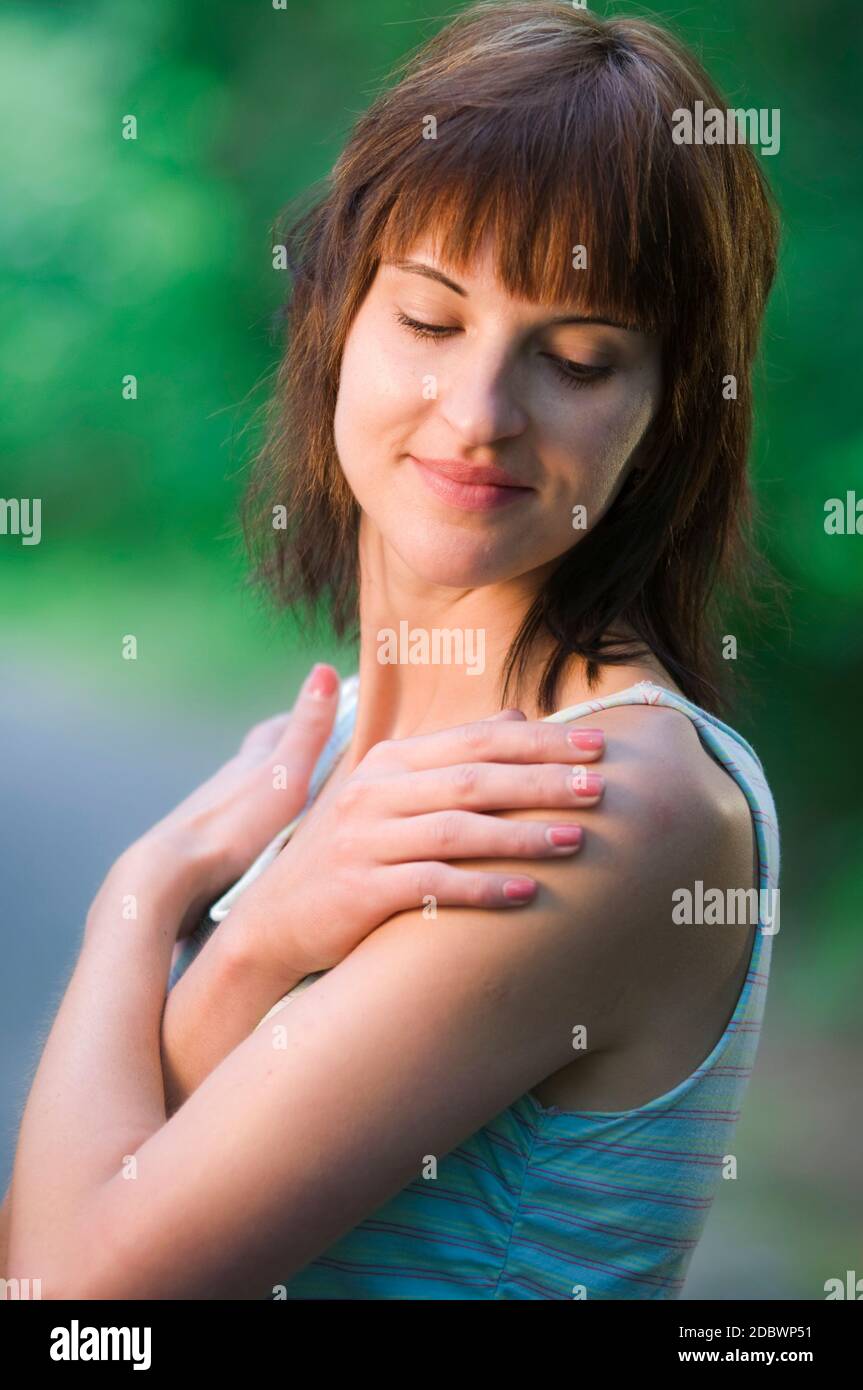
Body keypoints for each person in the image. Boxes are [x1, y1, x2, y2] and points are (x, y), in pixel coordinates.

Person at [3, 1, 781, 1299]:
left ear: (670, 410)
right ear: (336, 315)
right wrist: (250, 939)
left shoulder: (591, 803)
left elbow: (75, 1296)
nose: (479, 414)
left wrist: (139, 905)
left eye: (579, 358)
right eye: (430, 321)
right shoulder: (354, 758)